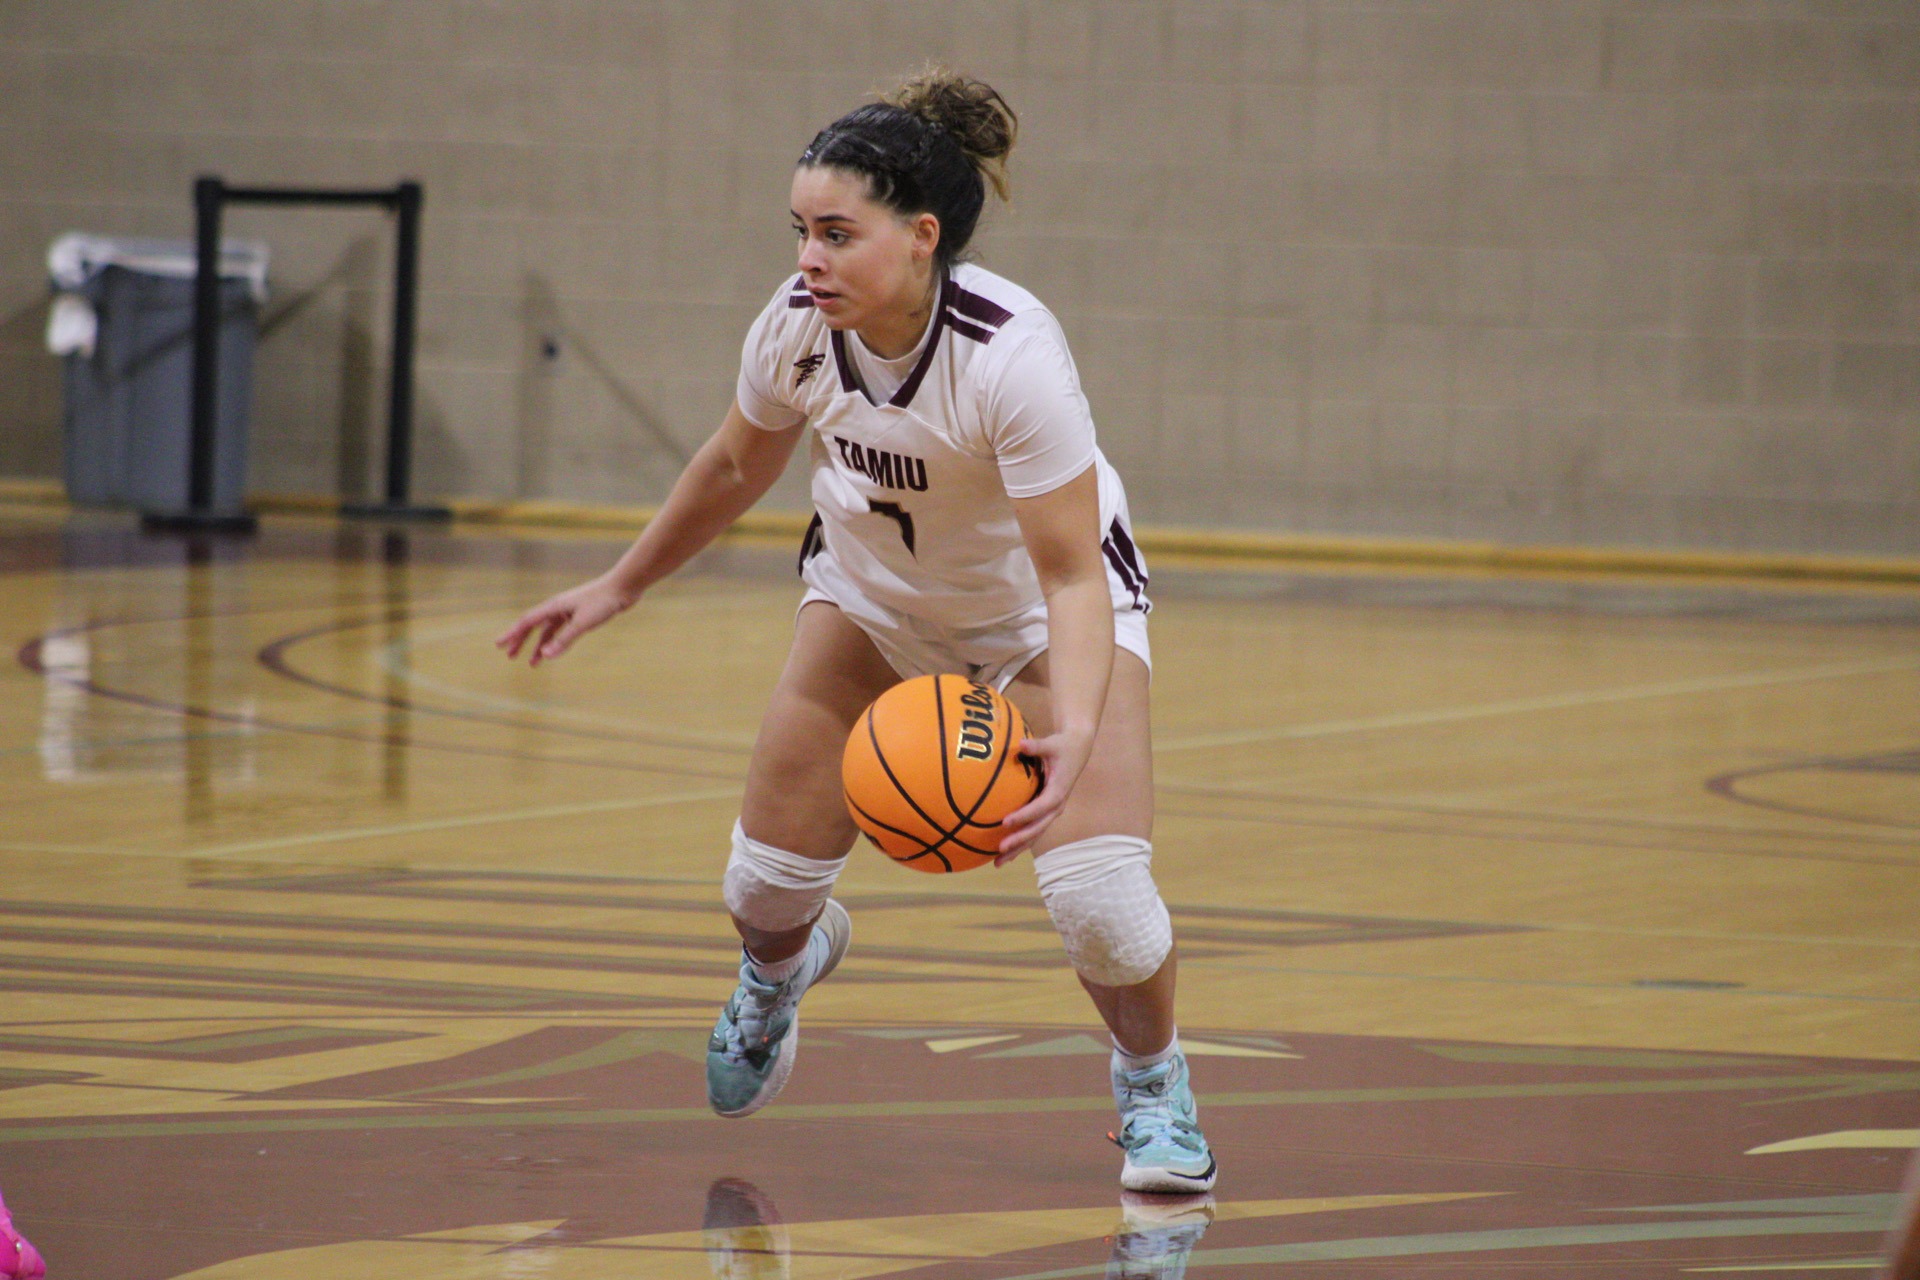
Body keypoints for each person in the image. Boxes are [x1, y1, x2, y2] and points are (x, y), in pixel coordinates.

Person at [498, 67, 1214, 1195]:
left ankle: (1154, 1085)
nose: (809, 259)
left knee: (1103, 907)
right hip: (873, 607)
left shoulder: (1010, 354)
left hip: (1039, 620)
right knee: (761, 888)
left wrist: (1077, 724)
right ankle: (777, 975)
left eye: (837, 234)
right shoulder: (794, 328)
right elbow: (733, 465)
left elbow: (1074, 574)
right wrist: (621, 585)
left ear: (922, 237)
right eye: (800, 231)